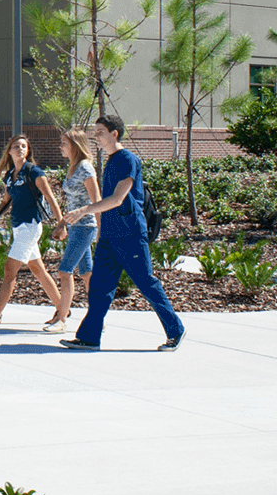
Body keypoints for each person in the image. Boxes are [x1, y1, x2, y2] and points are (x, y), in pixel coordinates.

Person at [61, 114, 185, 352]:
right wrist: (99, 230)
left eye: (99, 132)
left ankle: (175, 330)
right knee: (99, 287)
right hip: (109, 235)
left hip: (129, 234)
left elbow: (117, 199)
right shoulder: (111, 161)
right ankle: (89, 338)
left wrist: (83, 211)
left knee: (146, 283)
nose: (95, 137)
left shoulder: (128, 159)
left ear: (114, 133)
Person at [0, 134, 68, 330]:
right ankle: (62, 307)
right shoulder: (10, 175)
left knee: (10, 270)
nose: (20, 149)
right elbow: (6, 200)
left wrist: (61, 224)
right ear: (9, 151)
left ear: (28, 151)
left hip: (31, 226)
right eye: (16, 146)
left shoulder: (34, 172)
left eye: (24, 146)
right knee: (38, 270)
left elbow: (50, 197)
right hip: (18, 227)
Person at [50, 129, 102, 328]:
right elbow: (72, 202)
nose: (60, 146)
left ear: (75, 145)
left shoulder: (86, 168)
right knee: (87, 273)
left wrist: (100, 231)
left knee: (65, 270)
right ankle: (98, 317)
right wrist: (62, 224)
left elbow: (96, 200)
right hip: (74, 227)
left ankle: (61, 318)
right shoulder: (72, 167)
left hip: (85, 227)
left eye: (64, 142)